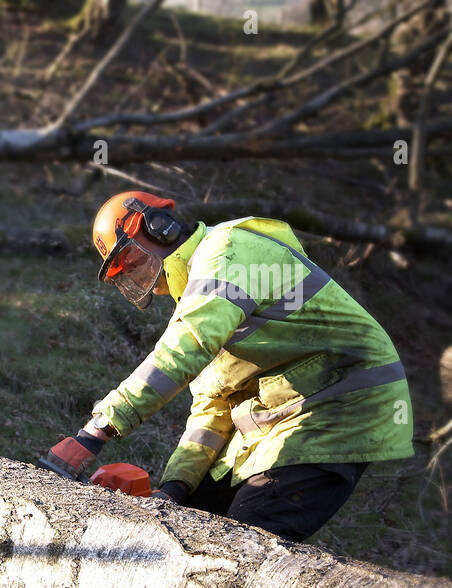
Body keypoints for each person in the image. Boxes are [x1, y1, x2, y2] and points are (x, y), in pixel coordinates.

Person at [41, 190, 414, 543]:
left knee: (244, 540)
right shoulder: (199, 296)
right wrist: (175, 489)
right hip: (286, 411)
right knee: (188, 520)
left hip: (341, 405)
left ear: (160, 228)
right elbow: (212, 404)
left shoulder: (227, 252)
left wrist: (95, 431)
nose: (143, 280)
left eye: (136, 262)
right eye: (129, 274)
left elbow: (183, 350)